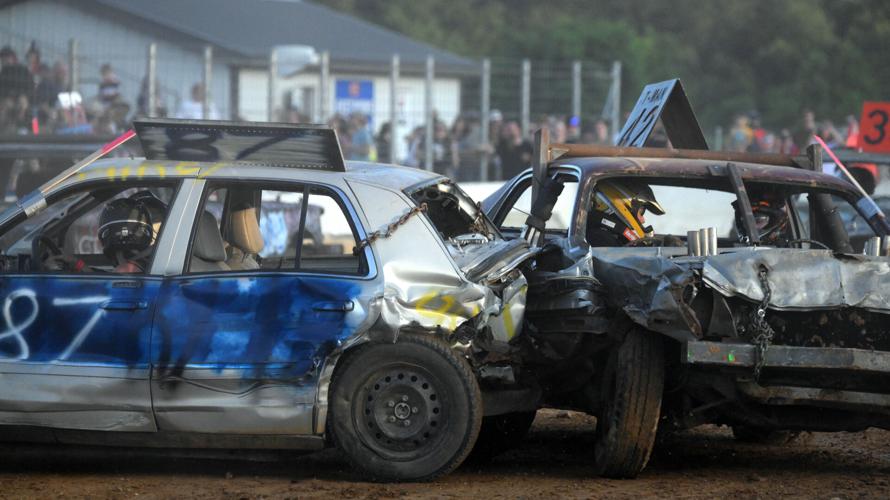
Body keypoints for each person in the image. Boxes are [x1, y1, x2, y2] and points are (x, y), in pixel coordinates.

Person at [586, 180, 666, 246]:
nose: (643, 220)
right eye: (641, 212)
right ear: (624, 206)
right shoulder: (600, 240)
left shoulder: (614, 238)